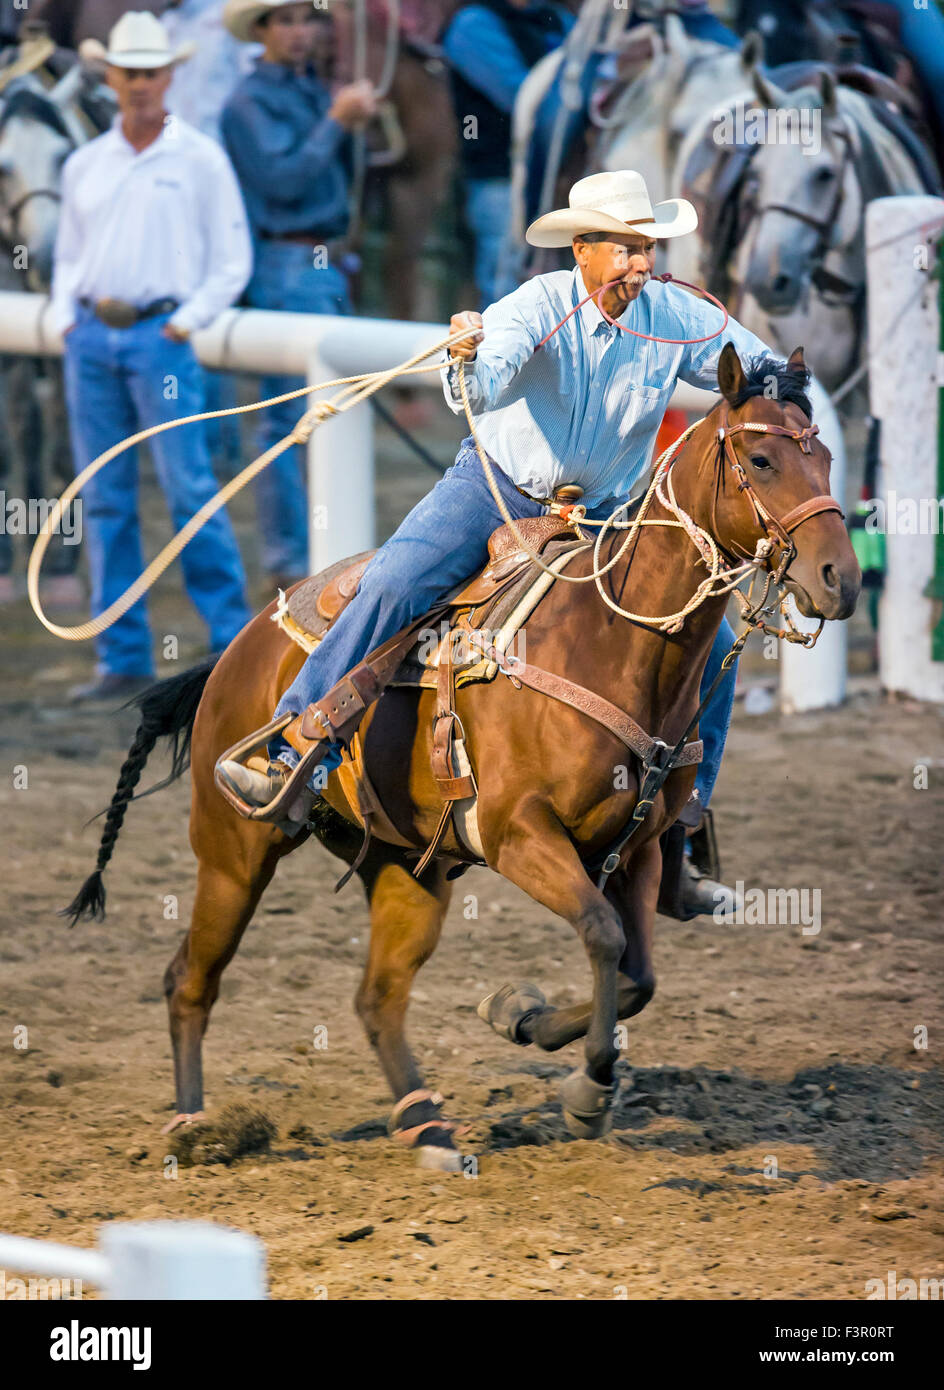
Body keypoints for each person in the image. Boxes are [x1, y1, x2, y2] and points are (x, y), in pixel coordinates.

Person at [219, 169, 785, 915]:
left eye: (647, 248)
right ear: (581, 249)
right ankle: (295, 748)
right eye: (625, 249)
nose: (641, 264)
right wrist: (466, 354)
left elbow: (762, 368)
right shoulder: (534, 307)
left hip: (615, 514)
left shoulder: (675, 315)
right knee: (394, 583)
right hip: (496, 490)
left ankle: (680, 832)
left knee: (707, 643)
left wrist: (783, 385)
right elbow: (481, 388)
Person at [51, 11, 254, 703]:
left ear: (169, 76)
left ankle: (231, 646)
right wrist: (64, 317)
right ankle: (123, 657)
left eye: (150, 72)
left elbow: (232, 258)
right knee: (106, 498)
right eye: (129, 72)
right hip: (95, 335)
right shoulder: (87, 162)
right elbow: (69, 253)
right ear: (112, 77)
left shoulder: (199, 157)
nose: (139, 84)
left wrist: (188, 320)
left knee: (187, 488)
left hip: (160, 335)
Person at [221, 0, 377, 590]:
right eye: (283, 21)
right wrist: (337, 121)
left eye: (304, 20)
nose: (299, 32)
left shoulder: (307, 90)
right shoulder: (248, 101)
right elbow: (283, 181)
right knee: (292, 416)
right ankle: (291, 557)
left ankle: (308, 550)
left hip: (320, 259)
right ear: (261, 31)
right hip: (287, 258)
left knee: (317, 408)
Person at [443, 0, 574, 309]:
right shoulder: (473, 25)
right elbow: (523, 97)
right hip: (501, 181)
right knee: (508, 295)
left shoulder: (557, 18)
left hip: (557, 186)